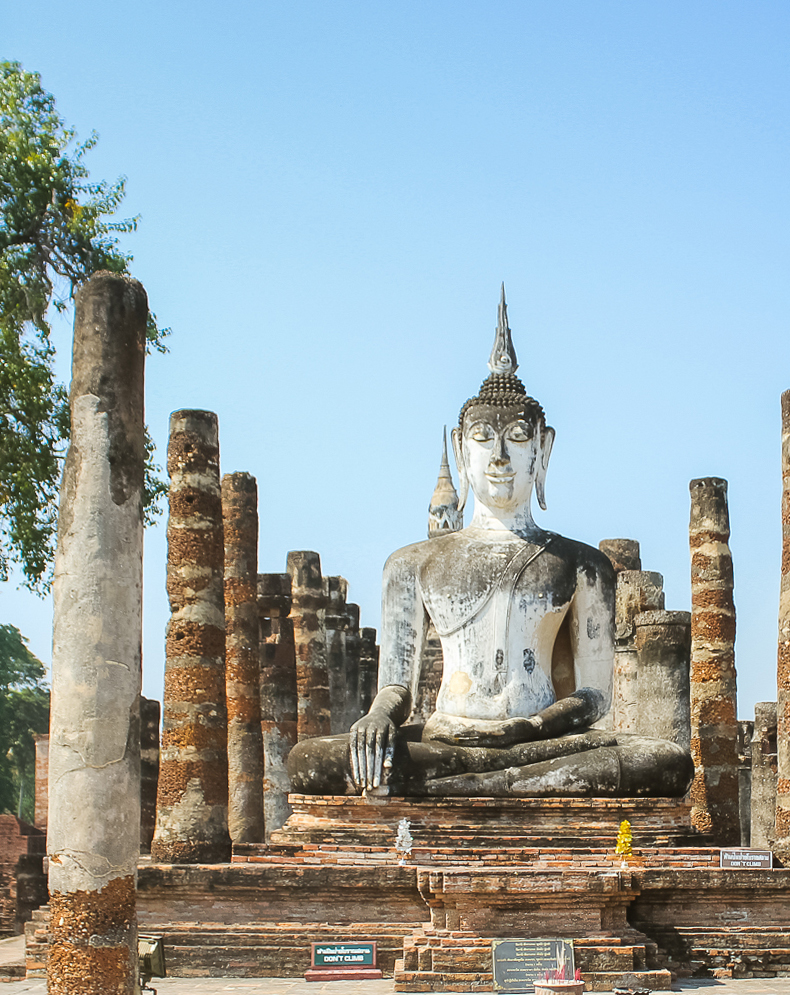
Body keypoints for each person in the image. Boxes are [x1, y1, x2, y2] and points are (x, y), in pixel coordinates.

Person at [288, 293, 691, 798]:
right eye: (483, 438)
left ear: (542, 450)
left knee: (663, 762)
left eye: (517, 438)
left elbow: (595, 696)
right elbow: (398, 686)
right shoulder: (411, 563)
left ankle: (472, 786)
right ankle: (499, 784)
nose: (499, 456)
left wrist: (530, 727)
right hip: (447, 738)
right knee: (310, 762)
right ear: (462, 452)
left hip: (542, 740)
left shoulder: (582, 564)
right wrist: (377, 717)